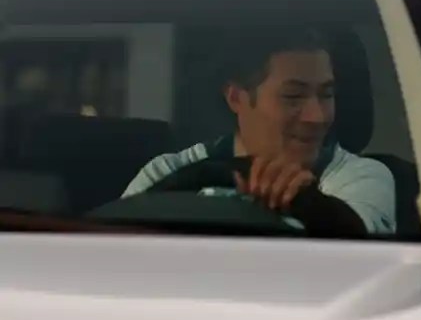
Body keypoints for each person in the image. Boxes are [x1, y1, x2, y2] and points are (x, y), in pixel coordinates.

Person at [122, 27, 396, 236]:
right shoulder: (165, 174)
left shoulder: (360, 178)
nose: (318, 116)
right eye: (293, 96)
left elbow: (359, 254)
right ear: (236, 99)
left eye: (326, 94)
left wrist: (312, 205)